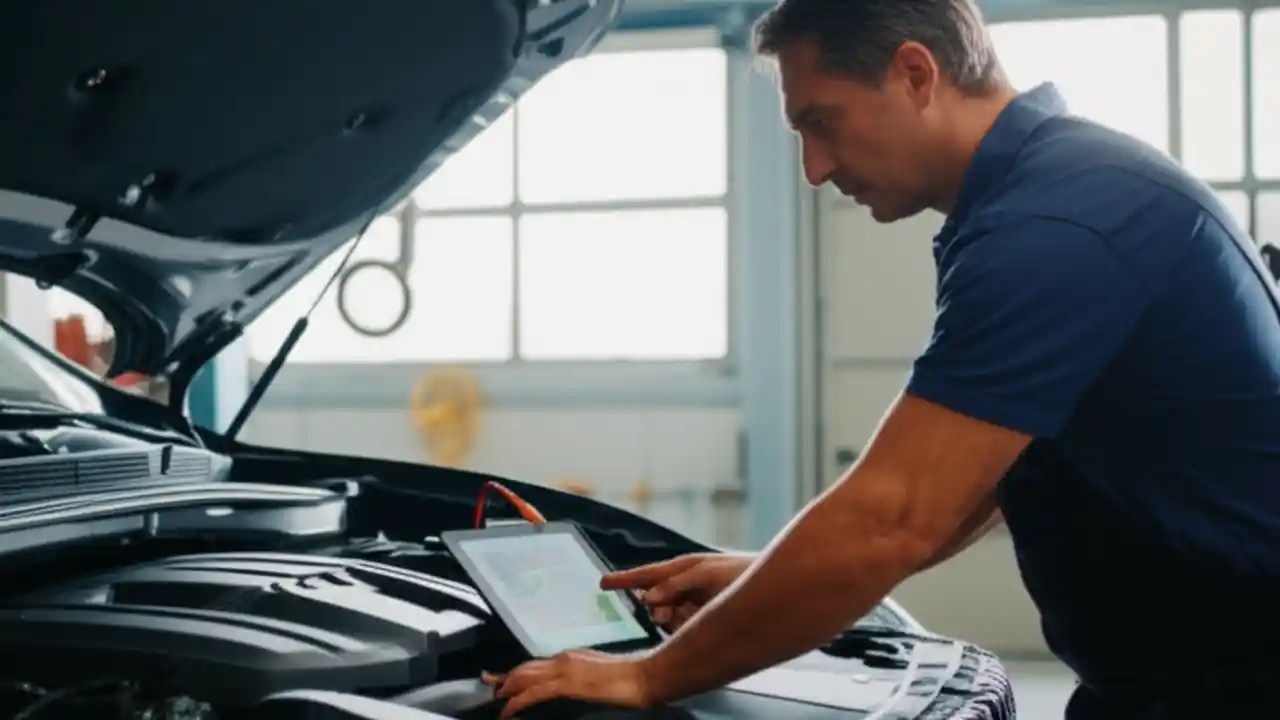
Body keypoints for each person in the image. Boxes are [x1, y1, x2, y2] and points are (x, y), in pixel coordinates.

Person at [482, 1, 1280, 717]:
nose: (815, 169)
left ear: (914, 73)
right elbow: (986, 470)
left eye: (821, 122)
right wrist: (771, 577)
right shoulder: (1056, 190)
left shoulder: (1060, 226)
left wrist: (648, 678)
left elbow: (891, 516)